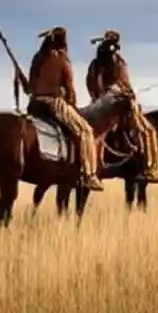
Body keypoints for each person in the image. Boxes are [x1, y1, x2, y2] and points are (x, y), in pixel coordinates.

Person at [25, 27, 103, 191]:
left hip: (34, 105)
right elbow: (69, 87)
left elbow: (30, 87)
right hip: (53, 103)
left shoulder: (38, 58)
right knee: (85, 131)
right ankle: (89, 175)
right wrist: (72, 105)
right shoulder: (62, 60)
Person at [87, 30, 158, 184]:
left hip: (98, 104)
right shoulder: (118, 62)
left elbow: (91, 84)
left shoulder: (94, 64)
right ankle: (150, 168)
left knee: (93, 134)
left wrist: (97, 98)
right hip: (120, 103)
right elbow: (126, 85)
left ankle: (93, 167)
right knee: (148, 131)